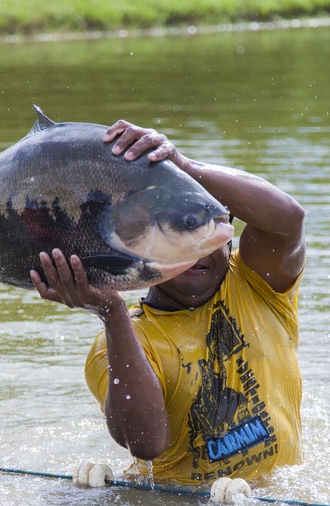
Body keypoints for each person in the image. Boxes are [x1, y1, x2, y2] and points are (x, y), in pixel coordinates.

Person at [30, 120, 306, 485]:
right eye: (178, 237)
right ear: (141, 245)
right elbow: (145, 444)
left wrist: (183, 166)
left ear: (228, 236)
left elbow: (289, 219)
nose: (196, 253)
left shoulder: (257, 285)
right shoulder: (123, 339)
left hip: (282, 501)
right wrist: (111, 313)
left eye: (206, 236)